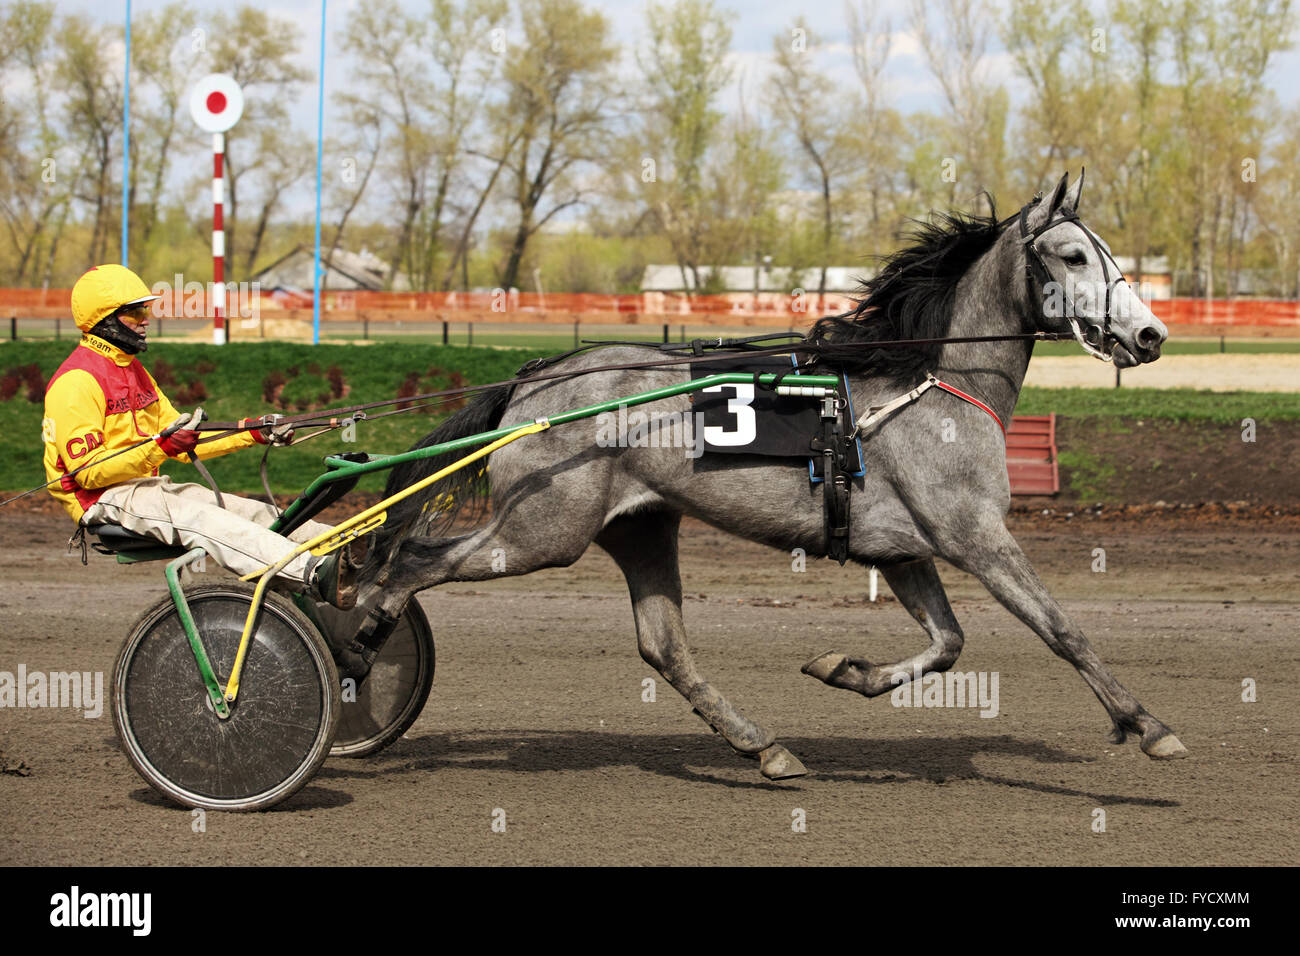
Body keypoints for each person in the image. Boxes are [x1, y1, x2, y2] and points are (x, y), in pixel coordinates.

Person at [41, 264, 360, 609]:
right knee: (207, 520)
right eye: (135, 311)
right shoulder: (76, 381)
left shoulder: (133, 370)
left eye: (145, 309)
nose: (146, 319)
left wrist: (253, 431)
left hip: (145, 487)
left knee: (253, 512)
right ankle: (313, 574)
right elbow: (87, 472)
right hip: (101, 499)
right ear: (104, 320)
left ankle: (351, 547)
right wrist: (160, 447)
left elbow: (184, 440)